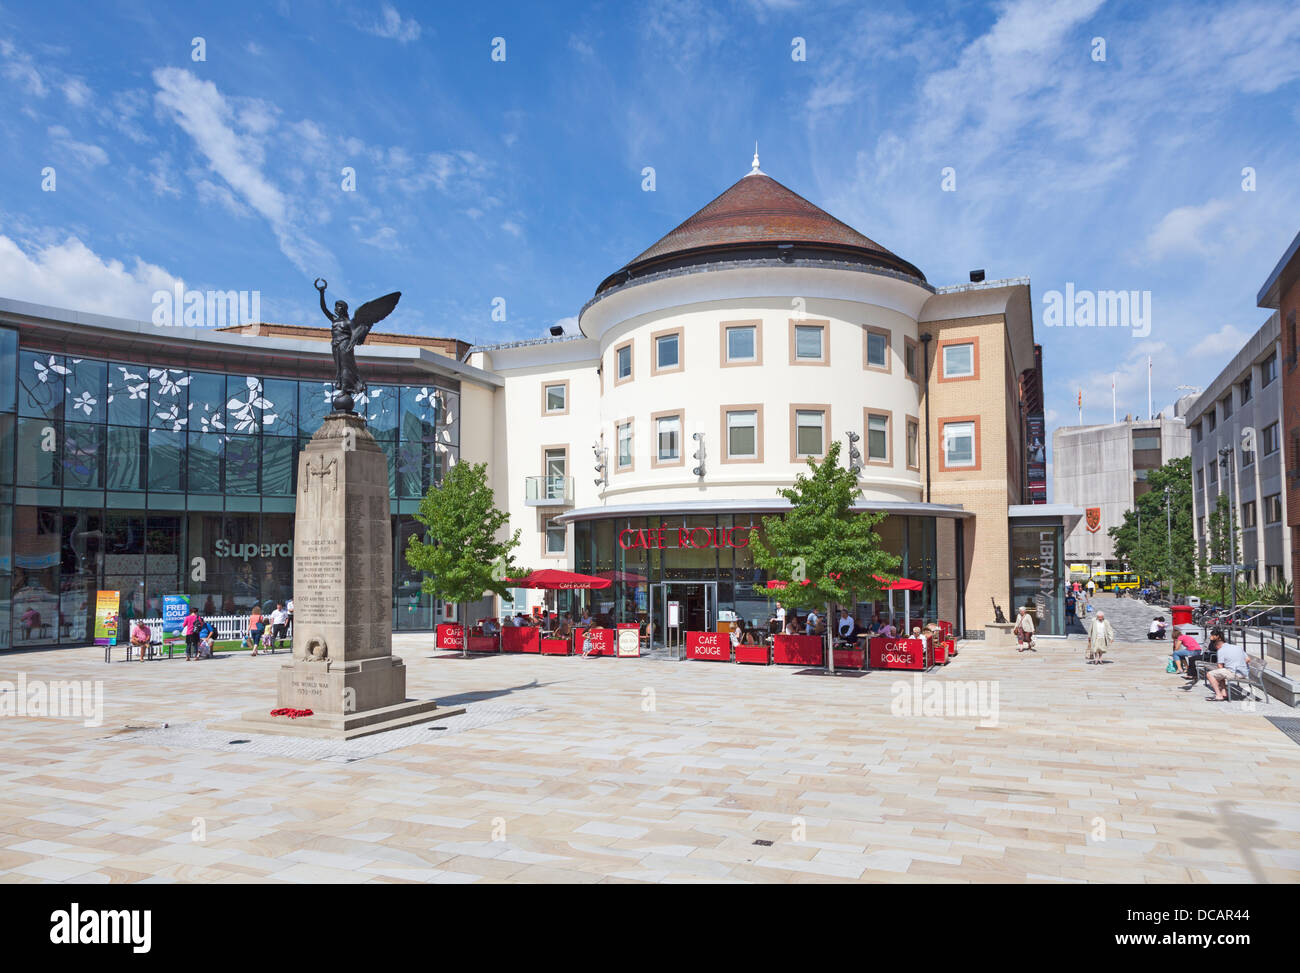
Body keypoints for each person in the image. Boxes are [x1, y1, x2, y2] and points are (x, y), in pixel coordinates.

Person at [1204, 635, 1253, 701]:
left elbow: (1220, 666)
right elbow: (1248, 659)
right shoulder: (1238, 647)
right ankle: (1224, 693)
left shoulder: (1221, 650)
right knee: (1221, 673)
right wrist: (1238, 664)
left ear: (1217, 646)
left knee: (1210, 674)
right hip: (1244, 672)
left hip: (1235, 673)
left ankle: (1219, 695)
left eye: (1216, 648)